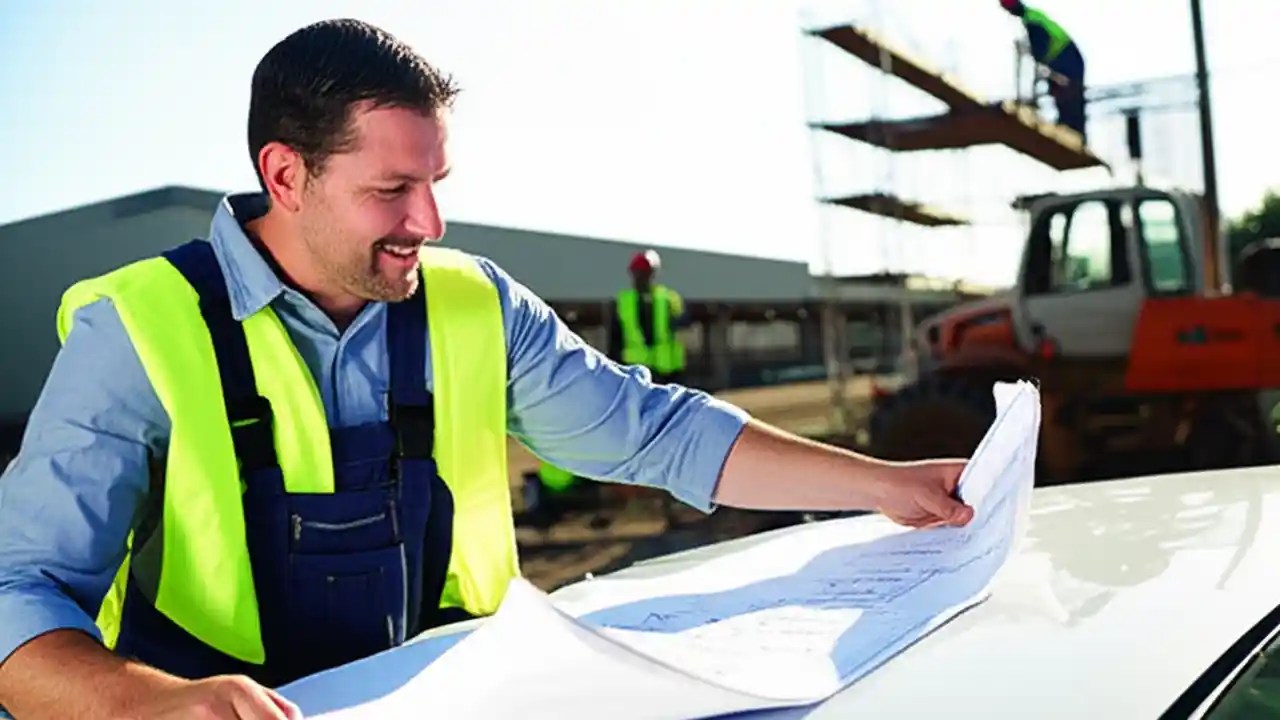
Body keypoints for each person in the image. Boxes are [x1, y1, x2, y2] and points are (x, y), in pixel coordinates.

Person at [0, 18, 973, 720]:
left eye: (435, 183)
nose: (430, 224)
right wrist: (143, 705)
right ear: (285, 175)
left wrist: (882, 486)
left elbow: (654, 430)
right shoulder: (139, 330)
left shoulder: (472, 304)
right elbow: (20, 591)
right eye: (392, 189)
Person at [1001, 0, 1087, 141]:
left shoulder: (1032, 20)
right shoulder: (1031, 17)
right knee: (1061, 93)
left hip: (1067, 58)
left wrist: (1036, 60)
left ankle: (1075, 133)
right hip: (1065, 57)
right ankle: (1068, 127)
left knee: (1068, 94)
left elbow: (1041, 47)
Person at [609, 249, 688, 385]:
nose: (641, 277)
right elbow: (615, 339)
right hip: (636, 372)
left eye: (645, 273)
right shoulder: (623, 302)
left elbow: (682, 328)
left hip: (665, 372)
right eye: (639, 272)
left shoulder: (669, 299)